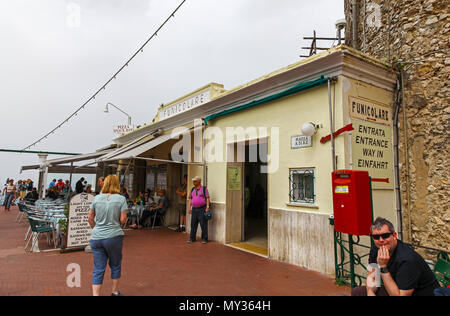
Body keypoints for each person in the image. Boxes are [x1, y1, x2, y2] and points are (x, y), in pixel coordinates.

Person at [352, 217, 440, 296]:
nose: (381, 240)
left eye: (385, 236)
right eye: (376, 237)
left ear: (394, 235)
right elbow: (373, 275)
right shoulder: (375, 250)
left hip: (417, 293)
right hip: (395, 289)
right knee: (358, 292)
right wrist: (370, 292)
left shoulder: (407, 259)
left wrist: (383, 266)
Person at [88, 175, 128, 297]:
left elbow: (90, 218)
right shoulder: (121, 199)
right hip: (114, 236)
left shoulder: (97, 198)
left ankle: (96, 295)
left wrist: (95, 228)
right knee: (115, 264)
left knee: (98, 268)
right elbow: (123, 219)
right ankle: (114, 291)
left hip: (96, 237)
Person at [188, 176, 211, 244]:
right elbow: (190, 199)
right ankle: (192, 238)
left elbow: (207, 198)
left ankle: (204, 239)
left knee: (203, 224)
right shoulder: (192, 189)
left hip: (202, 208)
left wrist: (207, 207)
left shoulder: (204, 189)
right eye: (193, 181)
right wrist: (189, 208)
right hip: (194, 209)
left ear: (199, 181)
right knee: (193, 224)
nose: (193, 182)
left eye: (195, 181)